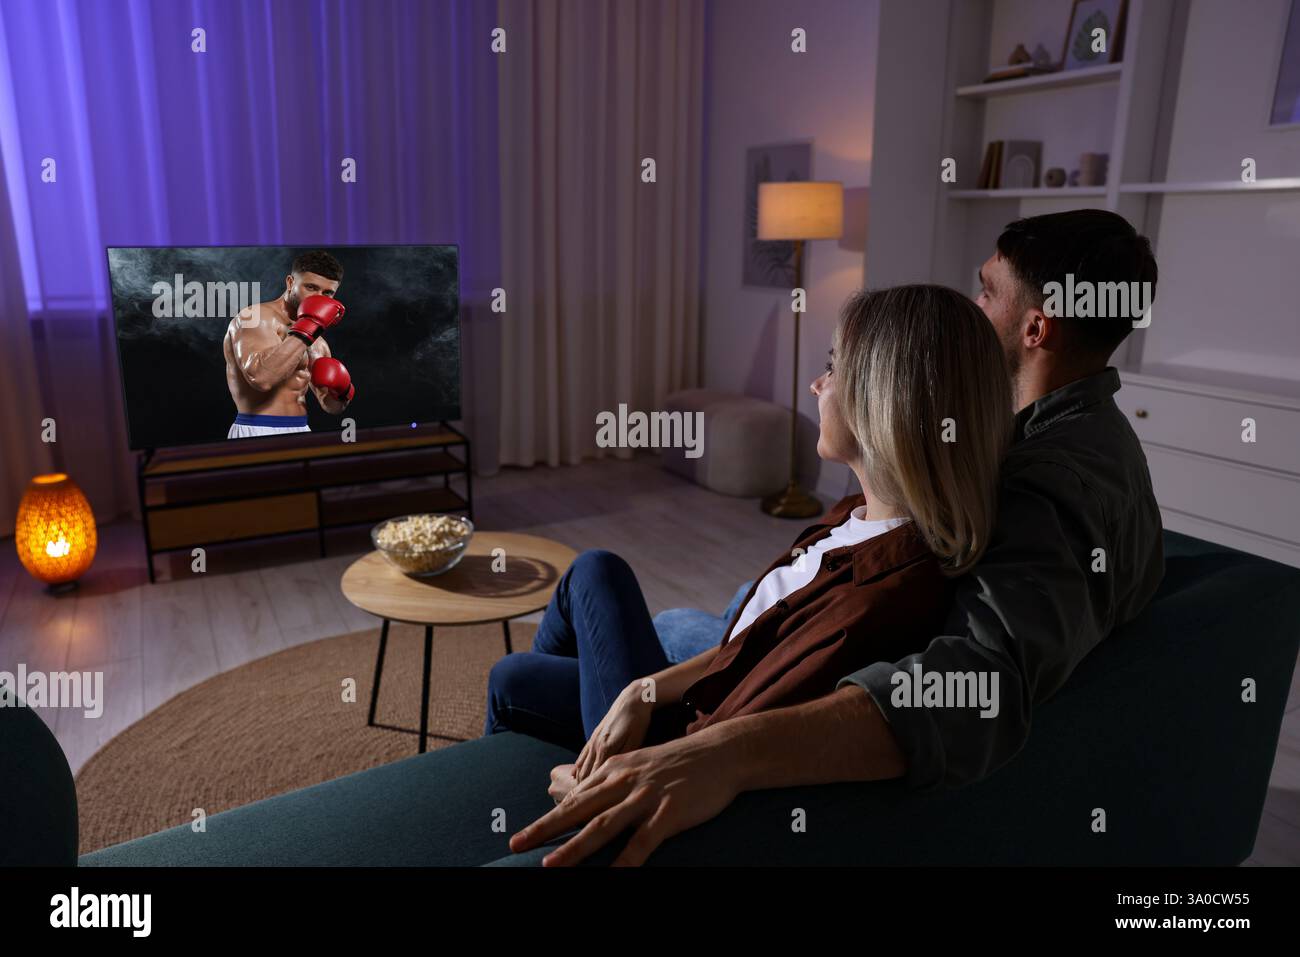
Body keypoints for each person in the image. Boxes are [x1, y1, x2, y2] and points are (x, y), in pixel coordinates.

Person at [495, 208, 1164, 867]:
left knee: (556, 637)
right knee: (662, 617)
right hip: (772, 633)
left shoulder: (1037, 484)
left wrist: (718, 752)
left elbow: (976, 684)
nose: (971, 304)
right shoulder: (1094, 437)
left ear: (1036, 327)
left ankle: (517, 780)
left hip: (768, 670)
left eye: (987, 291)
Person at [486, 283, 1014, 861]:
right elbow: (748, 649)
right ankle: (550, 766)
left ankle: (562, 807)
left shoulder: (877, 598)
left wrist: (611, 782)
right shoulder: (855, 518)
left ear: (881, 401)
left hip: (678, 749)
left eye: (832, 367)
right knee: (520, 668)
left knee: (587, 580)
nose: (816, 383)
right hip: (687, 705)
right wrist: (641, 689)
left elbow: (724, 743)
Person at [222, 249, 356, 438]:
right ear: (291, 282)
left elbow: (330, 406)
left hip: (301, 429)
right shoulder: (254, 317)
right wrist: (308, 327)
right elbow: (261, 379)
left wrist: (344, 390)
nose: (319, 297)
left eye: (328, 293)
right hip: (257, 429)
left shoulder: (319, 343)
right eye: (311, 287)